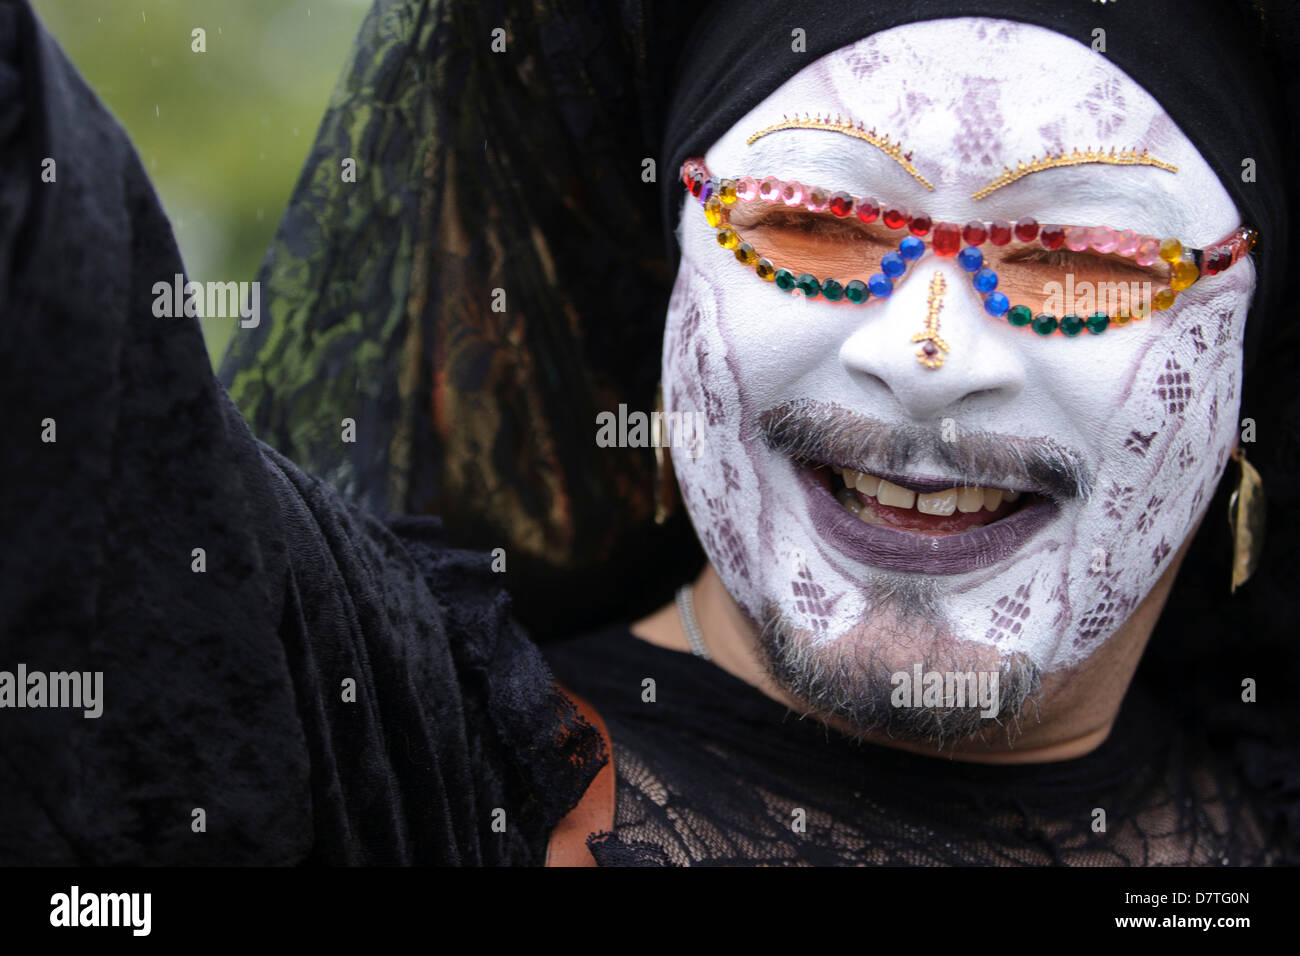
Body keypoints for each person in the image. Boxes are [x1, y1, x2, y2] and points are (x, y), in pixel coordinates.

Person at [1, 0, 1295, 866]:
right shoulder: (395, 761)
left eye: (1079, 254)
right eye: (806, 223)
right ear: (673, 294)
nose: (921, 359)